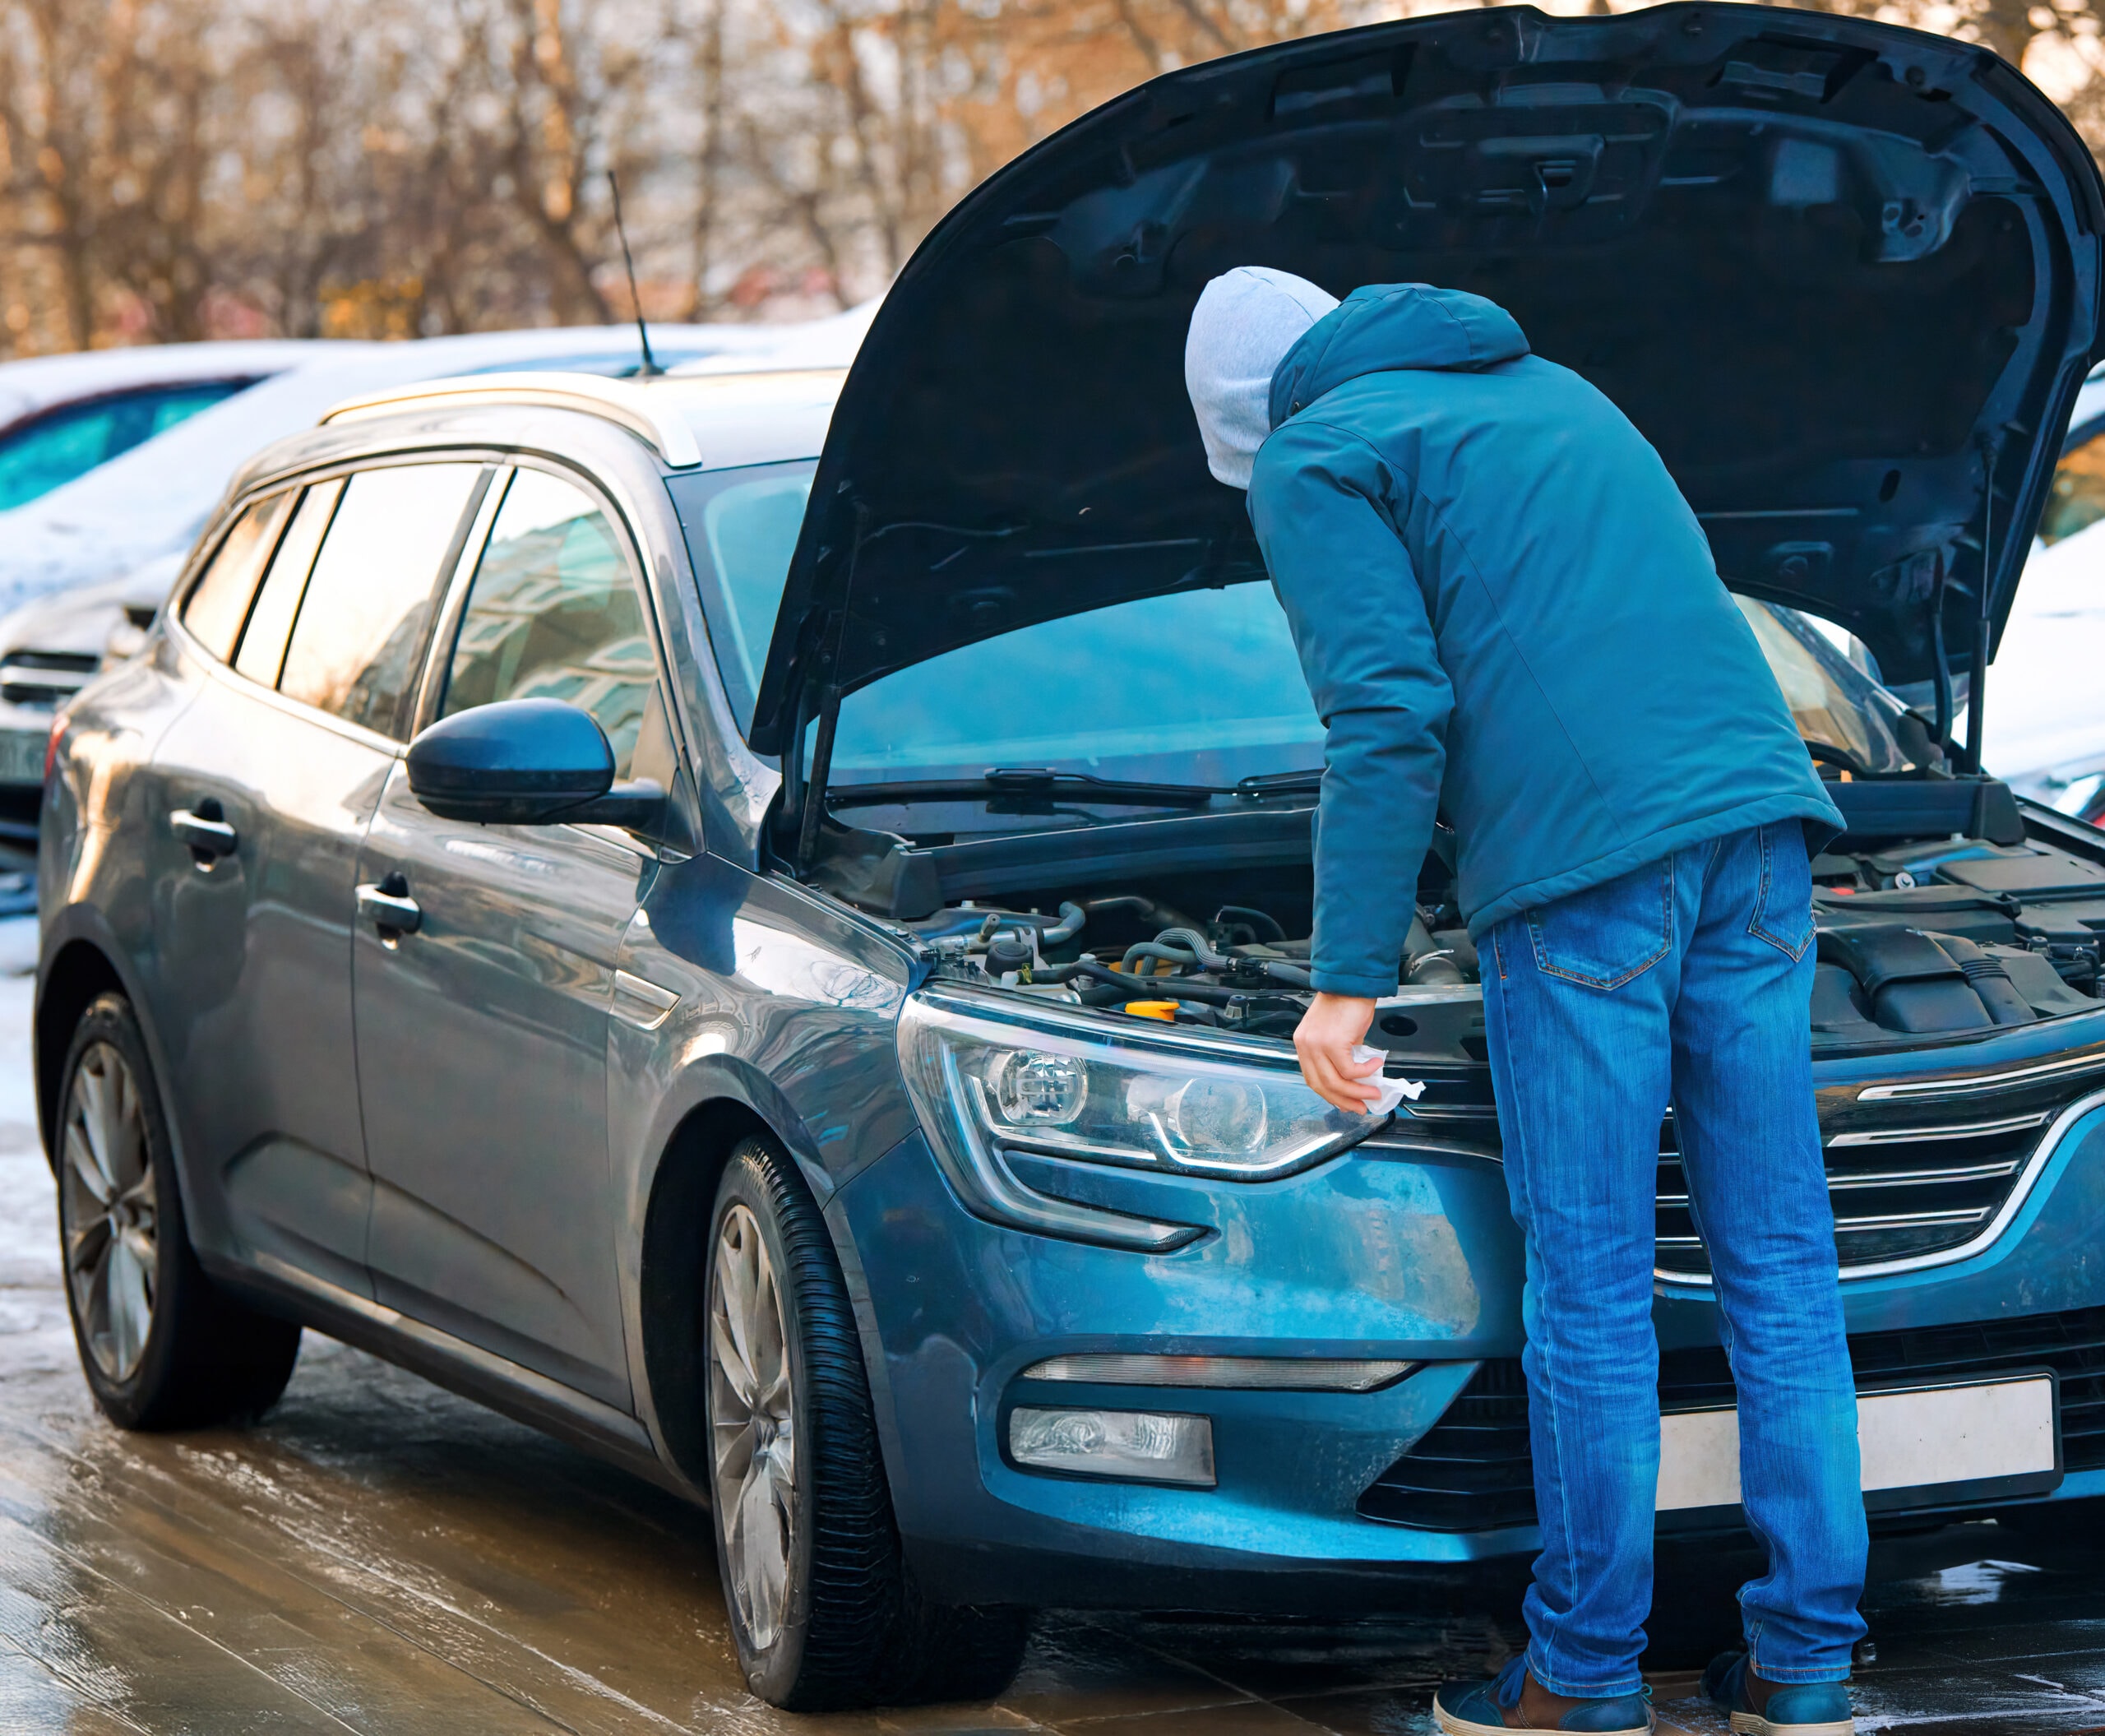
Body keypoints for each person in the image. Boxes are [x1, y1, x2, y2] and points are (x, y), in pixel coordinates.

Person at [1184, 268, 1866, 1736]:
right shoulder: (1548, 386)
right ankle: (1808, 1665)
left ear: (1244, 422)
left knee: (1598, 1288)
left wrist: (1345, 984)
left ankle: (1581, 1673)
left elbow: (1388, 710)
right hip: (1760, 836)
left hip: (1587, 877)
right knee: (1782, 1268)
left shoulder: (1316, 453)